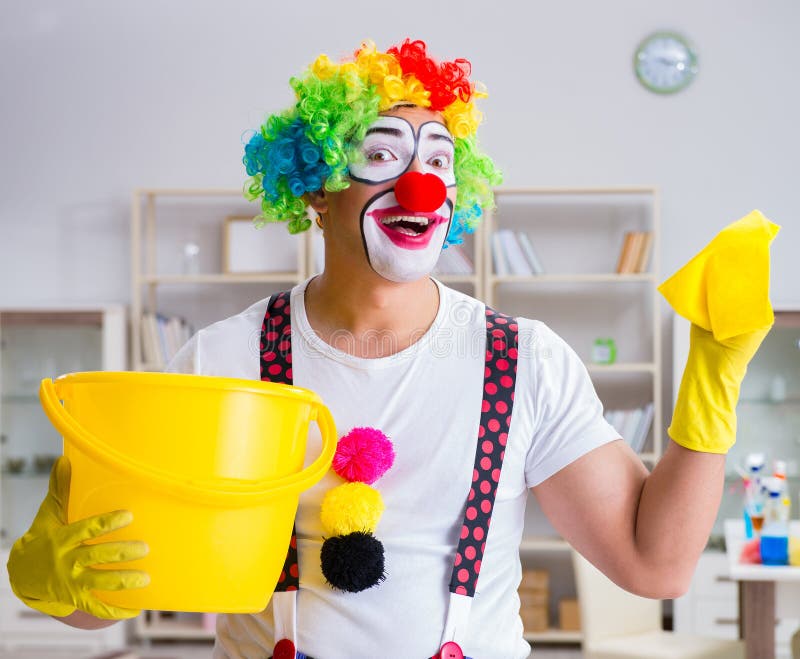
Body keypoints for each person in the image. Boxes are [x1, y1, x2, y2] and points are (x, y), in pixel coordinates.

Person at [6, 38, 772, 659]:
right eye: (382, 157)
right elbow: (104, 603)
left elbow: (657, 565)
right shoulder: (221, 361)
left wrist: (713, 372)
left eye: (438, 161)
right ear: (314, 187)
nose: (421, 189)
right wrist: (56, 583)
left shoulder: (524, 359)